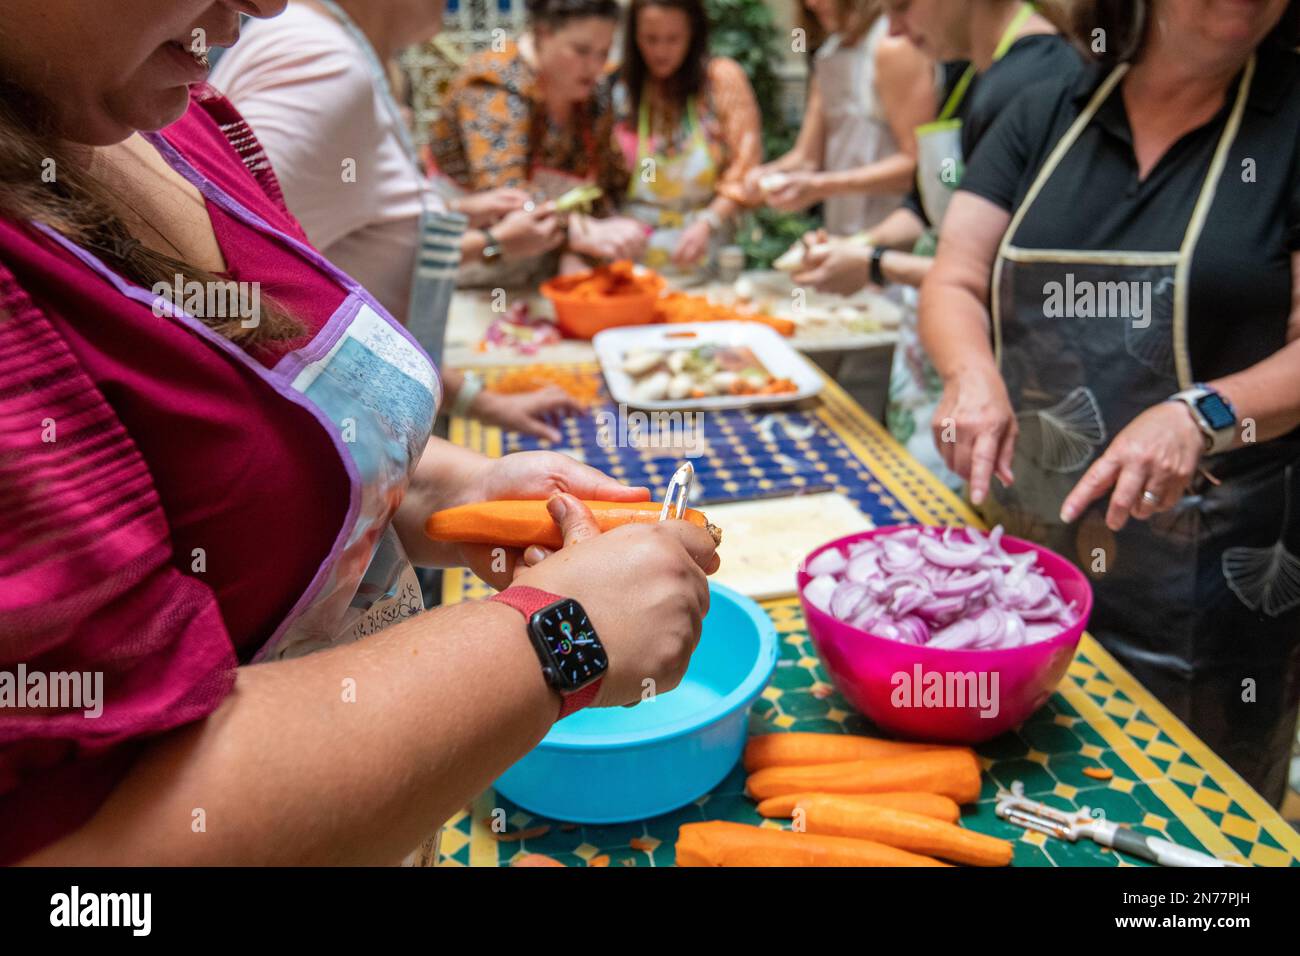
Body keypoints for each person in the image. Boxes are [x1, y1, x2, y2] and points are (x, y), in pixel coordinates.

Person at [0, 0, 718, 864]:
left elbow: (258, 442)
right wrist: (565, 635)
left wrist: (458, 490)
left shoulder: (169, 114)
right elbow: (96, 849)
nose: (264, 4)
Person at [919, 0, 1300, 803]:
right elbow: (953, 276)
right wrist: (972, 373)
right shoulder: (1047, 109)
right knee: (1014, 804)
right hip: (1024, 560)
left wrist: (1204, 413)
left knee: (1185, 834)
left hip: (1207, 586)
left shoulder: (1290, 126)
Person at [212, 0, 577, 442]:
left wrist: (481, 403)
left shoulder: (337, 50)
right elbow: (232, 271)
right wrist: (491, 243)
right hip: (327, 446)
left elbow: (346, 241)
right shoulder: (324, 66)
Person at [794, 0, 1077, 488]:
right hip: (934, 374)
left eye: (902, 7)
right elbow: (926, 210)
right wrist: (857, 245)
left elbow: (1022, 277)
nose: (896, 30)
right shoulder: (969, 77)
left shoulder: (1040, 81)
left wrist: (876, 264)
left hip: (1005, 385)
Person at [428, 0, 649, 279]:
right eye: (581, 50)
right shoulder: (494, 84)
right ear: (543, 33)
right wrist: (581, 231)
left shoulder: (594, 94)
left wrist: (585, 247)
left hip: (542, 272)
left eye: (603, 53)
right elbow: (504, 194)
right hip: (470, 272)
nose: (595, 67)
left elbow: (609, 181)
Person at [745, 0, 935, 237]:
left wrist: (822, 186)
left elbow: (918, 163)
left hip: (896, 230)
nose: (812, 4)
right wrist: (767, 175)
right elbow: (806, 158)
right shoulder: (829, 52)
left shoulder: (893, 46)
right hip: (842, 231)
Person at [613, 0, 762, 275]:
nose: (660, 51)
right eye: (650, 39)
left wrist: (708, 222)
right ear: (634, 36)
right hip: (632, 261)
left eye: (673, 39)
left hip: (704, 252)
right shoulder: (618, 86)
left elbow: (745, 170)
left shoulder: (721, 81)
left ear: (693, 35)